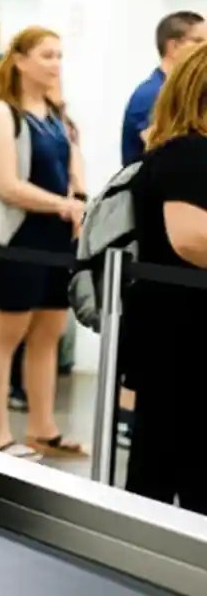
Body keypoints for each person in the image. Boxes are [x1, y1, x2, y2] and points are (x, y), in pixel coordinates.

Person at [0, 27, 85, 460]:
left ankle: (43, 429)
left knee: (49, 332)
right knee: (5, 332)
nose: (55, 63)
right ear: (19, 60)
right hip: (17, 235)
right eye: (46, 55)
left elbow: (73, 168)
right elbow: (5, 185)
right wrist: (61, 204)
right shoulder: (1, 113)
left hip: (57, 234)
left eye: (59, 55)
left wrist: (77, 200)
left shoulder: (56, 115)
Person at [122, 42, 207, 515]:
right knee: (170, 462)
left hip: (175, 329)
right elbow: (192, 238)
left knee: (166, 458)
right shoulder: (190, 152)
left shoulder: (179, 150)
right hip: (180, 333)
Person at [121, 11, 206, 167]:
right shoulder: (152, 95)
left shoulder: (178, 93)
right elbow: (166, 150)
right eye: (199, 41)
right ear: (174, 46)